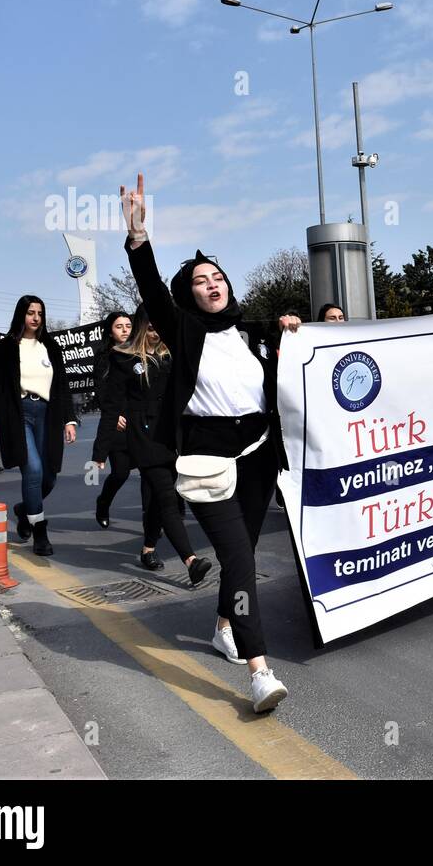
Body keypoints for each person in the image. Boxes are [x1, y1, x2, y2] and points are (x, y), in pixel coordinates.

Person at [122, 172, 300, 713]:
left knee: (240, 554)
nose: (212, 284)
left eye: (218, 275)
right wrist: (138, 237)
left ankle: (224, 625)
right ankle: (259, 672)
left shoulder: (252, 331)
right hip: (209, 457)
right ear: (188, 294)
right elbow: (151, 288)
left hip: (259, 452)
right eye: (201, 280)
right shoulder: (184, 329)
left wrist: (294, 327)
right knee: (240, 560)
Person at [100, 305, 213, 581]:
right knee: (166, 497)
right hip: (143, 437)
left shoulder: (168, 356)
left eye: (159, 328)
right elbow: (111, 404)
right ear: (141, 327)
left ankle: (148, 547)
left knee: (160, 500)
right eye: (150, 328)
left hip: (171, 437)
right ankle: (191, 561)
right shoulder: (122, 358)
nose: (155, 333)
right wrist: (100, 451)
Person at [0, 297, 78, 555]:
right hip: (18, 415)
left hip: (47, 414)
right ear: (21, 315)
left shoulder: (51, 346)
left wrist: (69, 419)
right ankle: (40, 532)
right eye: (30, 312)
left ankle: (24, 509)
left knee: (49, 476)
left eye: (40, 313)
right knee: (32, 470)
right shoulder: (5, 348)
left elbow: (62, 385)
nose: (35, 318)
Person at [92, 311, 134, 528]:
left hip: (140, 422)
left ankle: (156, 516)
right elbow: (101, 390)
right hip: (116, 422)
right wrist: (114, 414)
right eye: (119, 326)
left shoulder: (138, 353)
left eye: (128, 325)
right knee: (121, 473)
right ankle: (103, 503)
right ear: (110, 330)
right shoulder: (103, 357)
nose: (125, 330)